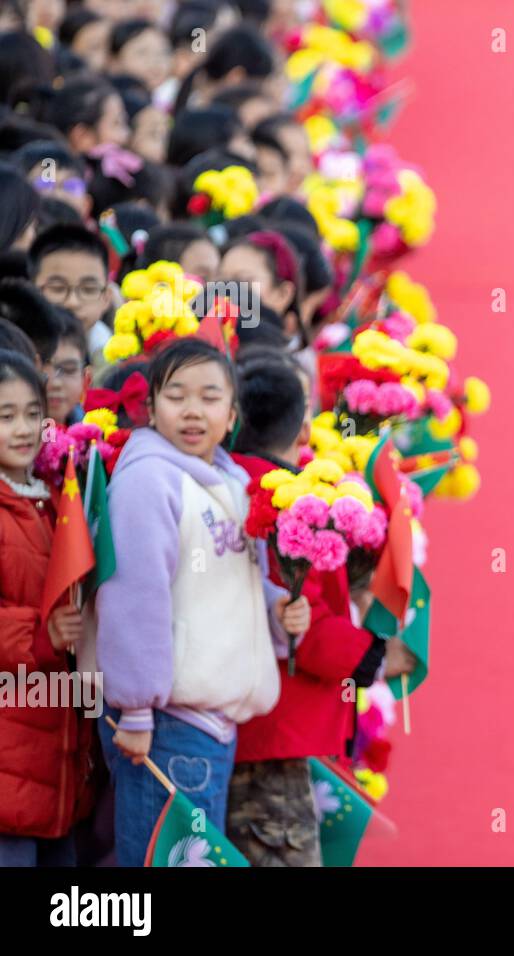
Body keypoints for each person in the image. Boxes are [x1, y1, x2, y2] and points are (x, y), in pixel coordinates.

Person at [78, 337, 311, 866]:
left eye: (209, 397)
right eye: (175, 394)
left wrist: (278, 611)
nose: (191, 410)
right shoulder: (148, 481)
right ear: (151, 407)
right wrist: (135, 709)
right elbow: (135, 598)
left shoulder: (229, 482)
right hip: (167, 724)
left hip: (209, 728)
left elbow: (232, 582)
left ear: (231, 415)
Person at [226, 356, 400, 865]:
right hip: (276, 730)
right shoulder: (290, 503)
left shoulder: (228, 480)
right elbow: (307, 621)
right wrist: (370, 654)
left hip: (244, 724)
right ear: (303, 425)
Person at [0, 348, 95, 865]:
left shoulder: (56, 496)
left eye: (31, 414)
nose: (21, 428)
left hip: (58, 750)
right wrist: (40, 635)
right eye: (4, 415)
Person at [27, 224, 113, 374]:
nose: (72, 302)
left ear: (106, 298)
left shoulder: (116, 362)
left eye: (88, 289)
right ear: (31, 290)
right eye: (57, 288)